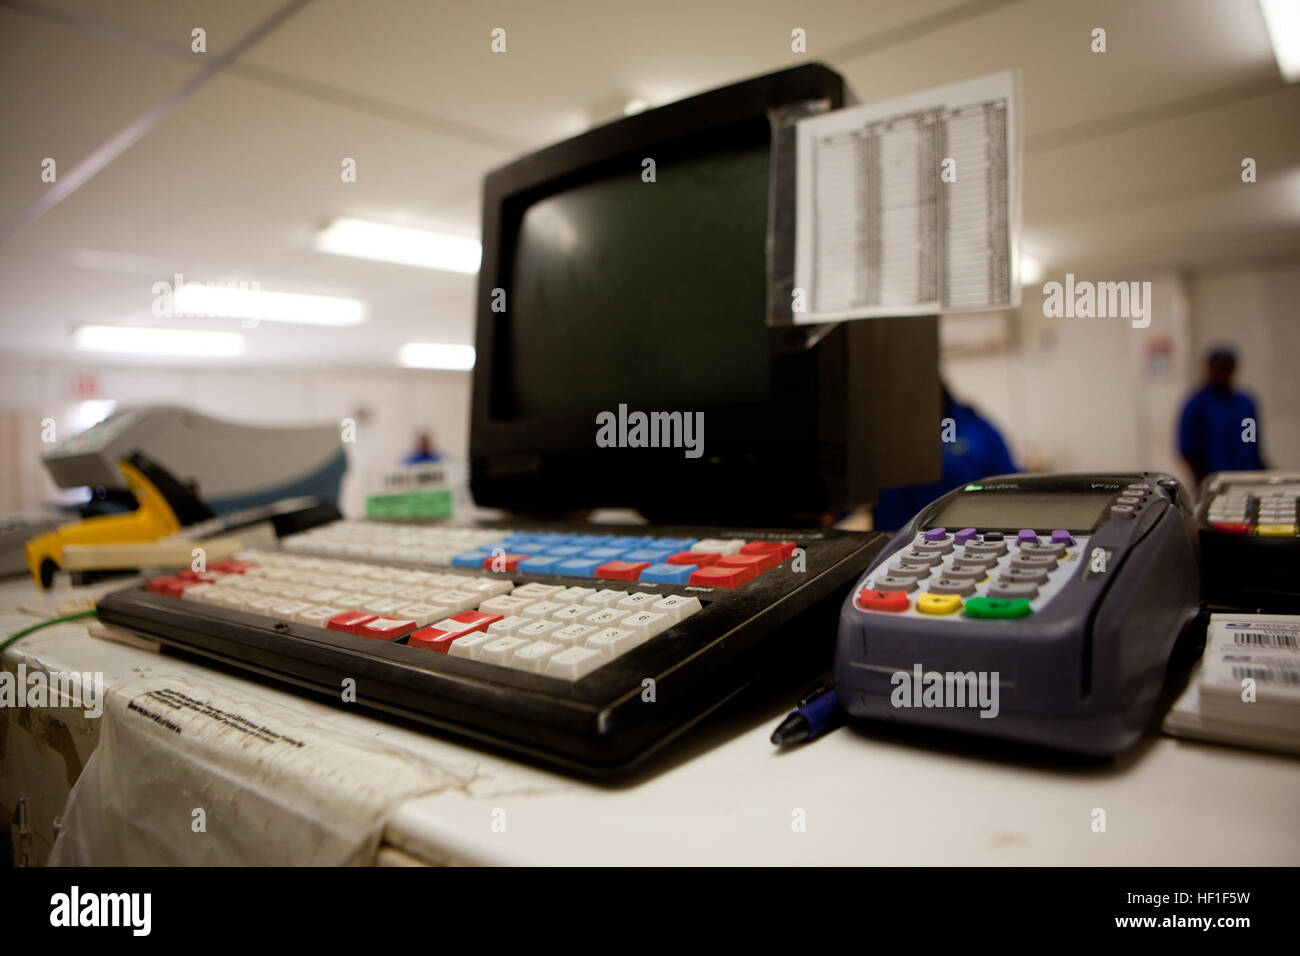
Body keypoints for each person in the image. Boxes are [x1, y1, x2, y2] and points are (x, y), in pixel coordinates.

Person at [872, 386, 1017, 532]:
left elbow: (1012, 492)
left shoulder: (975, 429)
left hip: (968, 539)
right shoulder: (879, 432)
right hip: (894, 542)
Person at [1177, 347, 1265, 484]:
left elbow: (1252, 442)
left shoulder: (1245, 403)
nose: (1223, 374)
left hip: (1247, 480)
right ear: (1209, 369)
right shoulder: (1196, 405)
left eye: (1227, 368)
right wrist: (1203, 482)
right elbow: (1188, 449)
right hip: (1215, 482)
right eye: (1218, 369)